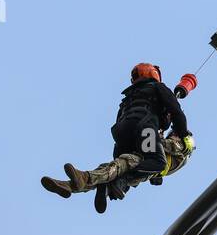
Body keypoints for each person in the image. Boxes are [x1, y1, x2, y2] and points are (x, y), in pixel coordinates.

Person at [41, 63, 197, 214]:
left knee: (119, 166)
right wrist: (182, 133)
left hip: (122, 136)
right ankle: (118, 183)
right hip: (144, 131)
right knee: (157, 162)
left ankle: (79, 183)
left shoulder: (128, 97)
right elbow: (177, 113)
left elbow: (128, 118)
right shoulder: (159, 87)